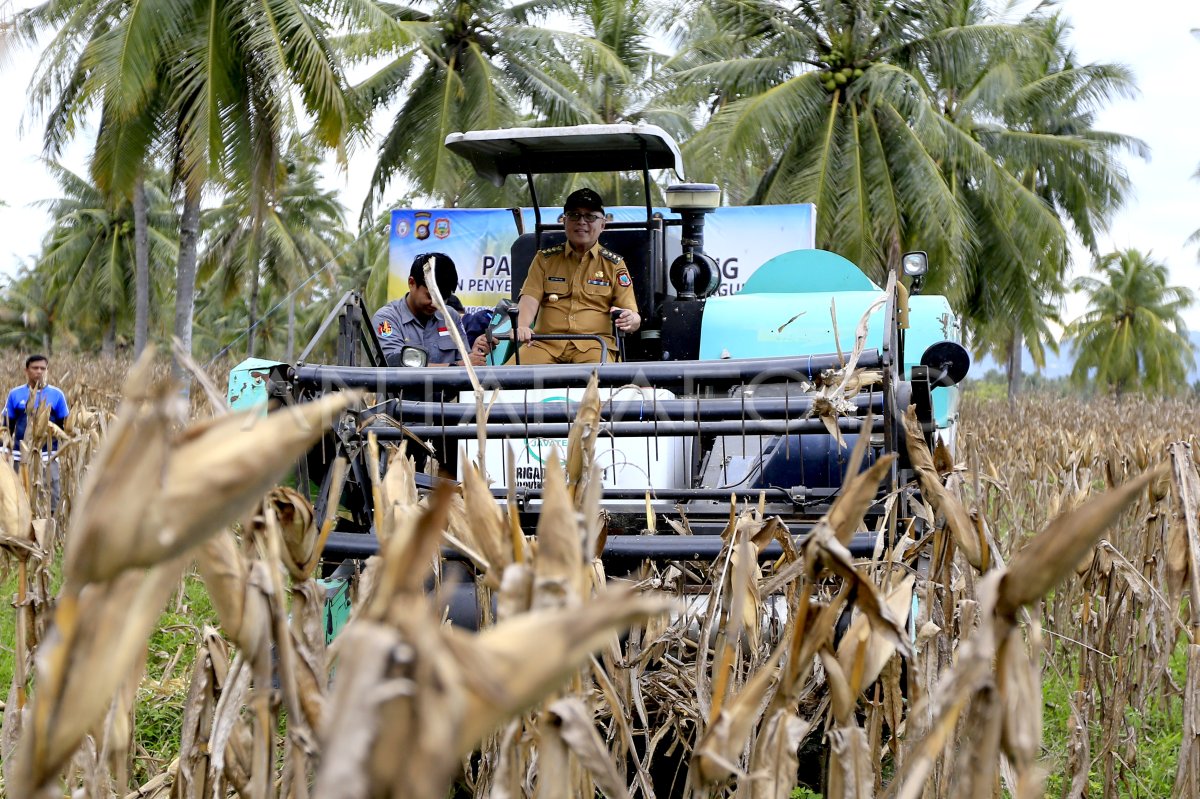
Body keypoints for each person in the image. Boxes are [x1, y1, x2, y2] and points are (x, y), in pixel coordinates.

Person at [513, 188, 641, 364]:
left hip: (594, 346)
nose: (581, 222)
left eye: (590, 217)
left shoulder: (614, 265)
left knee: (604, 381)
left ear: (602, 225)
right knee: (503, 379)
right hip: (545, 344)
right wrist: (522, 326)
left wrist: (630, 319)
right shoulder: (544, 259)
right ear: (565, 222)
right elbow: (529, 298)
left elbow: (633, 316)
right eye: (574, 215)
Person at [372, 253, 492, 367]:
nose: (436, 304)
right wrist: (455, 366)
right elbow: (395, 364)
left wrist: (476, 354)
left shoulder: (451, 316)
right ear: (411, 283)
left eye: (443, 298)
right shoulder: (386, 319)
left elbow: (465, 361)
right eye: (431, 296)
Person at [3, 354, 69, 514]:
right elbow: (6, 426)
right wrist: (4, 450)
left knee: (52, 493)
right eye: (35, 368)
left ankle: (50, 525)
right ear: (26, 370)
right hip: (21, 456)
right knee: (21, 495)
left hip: (49, 455)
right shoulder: (15, 394)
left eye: (43, 368)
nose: (39, 372)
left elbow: (64, 426)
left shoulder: (57, 395)